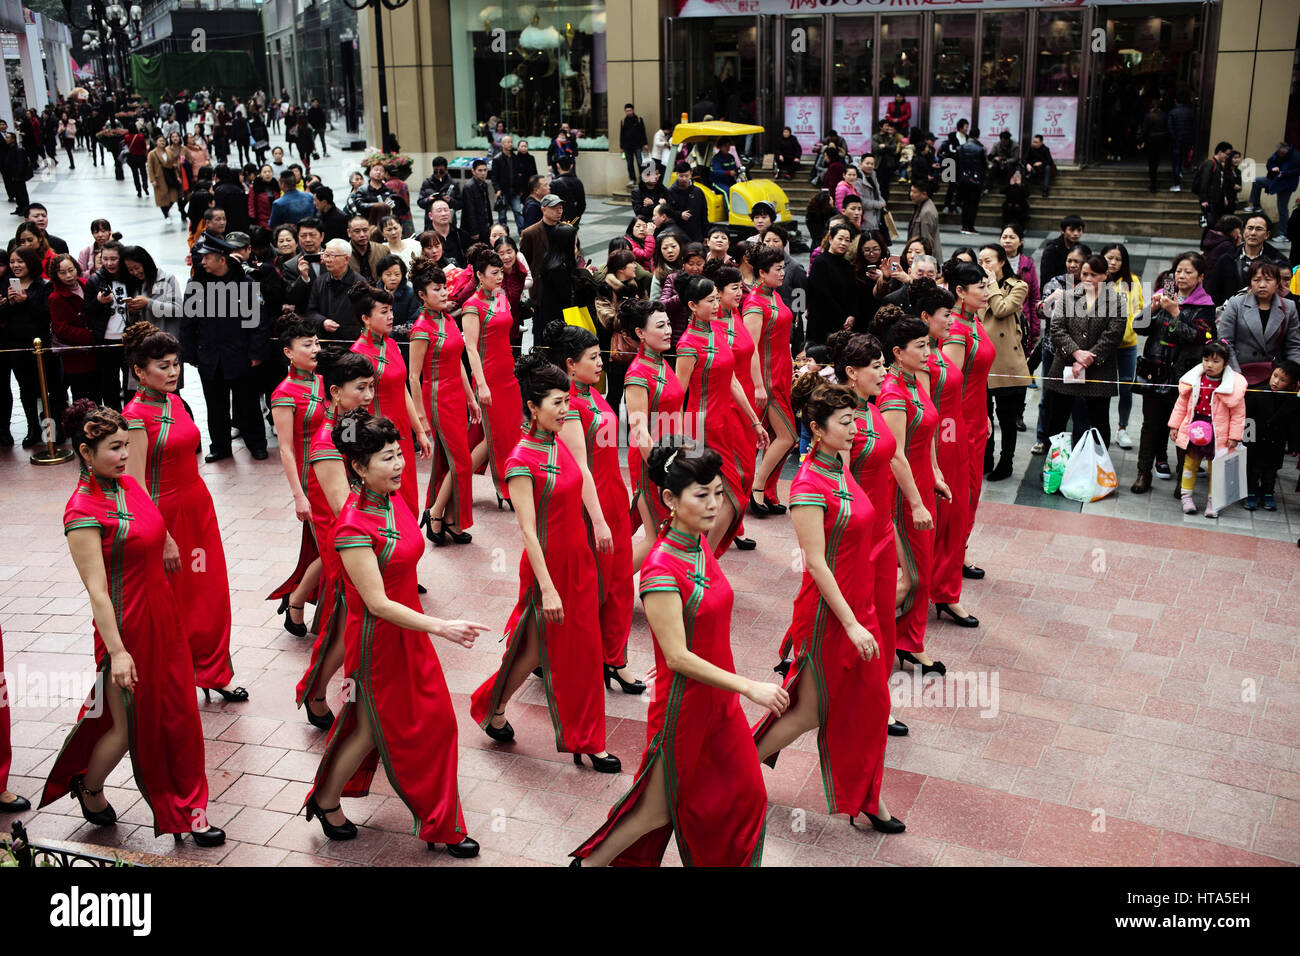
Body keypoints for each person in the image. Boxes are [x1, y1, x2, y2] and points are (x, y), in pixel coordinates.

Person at [570, 443, 780, 867]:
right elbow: (679, 658)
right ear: (669, 499)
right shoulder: (661, 568)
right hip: (685, 706)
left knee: (749, 794)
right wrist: (749, 686)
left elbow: (693, 629)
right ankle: (589, 864)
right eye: (701, 495)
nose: (714, 504)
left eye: (718, 493)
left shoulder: (698, 545)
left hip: (720, 702)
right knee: (658, 807)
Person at [303, 409, 487, 857]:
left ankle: (325, 800)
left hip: (410, 628)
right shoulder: (352, 527)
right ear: (359, 469)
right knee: (426, 724)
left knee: (371, 728)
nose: (400, 464)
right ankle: (440, 823)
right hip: (379, 639)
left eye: (399, 453)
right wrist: (441, 626)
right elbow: (377, 603)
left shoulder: (392, 498)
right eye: (387, 458)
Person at [40, 401, 224, 847]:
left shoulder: (128, 485)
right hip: (126, 625)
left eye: (125, 445)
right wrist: (118, 651)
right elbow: (98, 592)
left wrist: (169, 542)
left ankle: (191, 808)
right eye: (113, 448)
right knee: (129, 726)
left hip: (163, 613)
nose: (124, 455)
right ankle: (89, 785)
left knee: (180, 714)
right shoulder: (80, 511)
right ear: (85, 452)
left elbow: (152, 524)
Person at [752, 380, 903, 834]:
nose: (855, 428)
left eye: (855, 418)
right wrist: (854, 624)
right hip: (829, 615)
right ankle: (732, 763)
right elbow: (816, 564)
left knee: (870, 705)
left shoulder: (842, 464)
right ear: (816, 430)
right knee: (809, 712)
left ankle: (866, 797)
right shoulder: (808, 485)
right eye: (845, 422)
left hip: (859, 607)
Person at [469, 350, 620, 771]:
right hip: (548, 569)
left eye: (568, 402)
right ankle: (586, 740)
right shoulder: (520, 462)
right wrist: (549, 587)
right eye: (557, 403)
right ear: (532, 408)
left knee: (541, 650)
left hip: (580, 562)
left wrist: (600, 526)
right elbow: (528, 533)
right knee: (560, 653)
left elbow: (582, 483)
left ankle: (489, 705)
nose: (566, 410)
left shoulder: (558, 444)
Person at [120, 320, 244, 704]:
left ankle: (212, 670)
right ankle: (178, 674)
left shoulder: (174, 400)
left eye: (176, 364)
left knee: (209, 593)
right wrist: (164, 537)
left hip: (198, 507)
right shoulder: (136, 415)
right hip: (165, 517)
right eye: (163, 366)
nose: (173, 372)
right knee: (178, 600)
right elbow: (135, 485)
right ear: (139, 371)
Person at [539, 321, 643, 692]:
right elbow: (577, 467)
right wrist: (597, 520)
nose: (602, 363)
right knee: (590, 588)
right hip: (588, 506)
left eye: (600, 356)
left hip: (612, 497)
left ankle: (612, 658)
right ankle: (561, 652)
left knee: (617, 586)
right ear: (570, 364)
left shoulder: (595, 396)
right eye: (594, 357)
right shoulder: (567, 406)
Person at [876, 310, 949, 674]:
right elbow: (895, 455)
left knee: (922, 572)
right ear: (897, 352)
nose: (927, 351)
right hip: (903, 494)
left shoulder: (913, 381)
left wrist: (935, 472)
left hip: (921, 483)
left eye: (928, 344)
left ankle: (909, 642)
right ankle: (867, 635)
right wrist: (917, 502)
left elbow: (929, 430)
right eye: (919, 346)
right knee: (914, 577)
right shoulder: (892, 394)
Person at [676, 275, 768, 556]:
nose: (717, 305)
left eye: (717, 298)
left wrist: (754, 421)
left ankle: (701, 557)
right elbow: (676, 395)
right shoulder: (688, 343)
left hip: (724, 423)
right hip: (699, 428)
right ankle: (700, 558)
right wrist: (678, 438)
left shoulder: (716, 329)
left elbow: (733, 381)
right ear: (692, 305)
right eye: (709, 301)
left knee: (729, 495)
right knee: (719, 497)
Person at [1131, 252, 1218, 494]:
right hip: (1155, 370)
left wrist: (1177, 314)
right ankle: (1143, 473)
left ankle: (1183, 479)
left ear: (1200, 276)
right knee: (1150, 425)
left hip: (1185, 376)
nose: (1181, 276)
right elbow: (1138, 327)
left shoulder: (1205, 305)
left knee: (1183, 427)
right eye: (1178, 271)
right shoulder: (1164, 294)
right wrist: (1152, 308)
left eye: (1188, 272)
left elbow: (1202, 337)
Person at [265, 315, 328, 638]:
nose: (316, 348)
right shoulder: (283, 393)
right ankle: (297, 600)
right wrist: (298, 495)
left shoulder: (319, 381)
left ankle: (298, 599)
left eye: (316, 342)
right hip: (309, 479)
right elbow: (286, 450)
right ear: (289, 352)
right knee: (334, 549)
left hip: (331, 472)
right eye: (308, 345)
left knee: (331, 547)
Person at [407, 262, 479, 544]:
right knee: (462, 461)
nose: (444, 292)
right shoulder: (421, 328)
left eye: (444, 287)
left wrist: (471, 399)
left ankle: (451, 521)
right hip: (436, 397)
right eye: (436, 289)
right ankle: (436, 513)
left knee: (450, 460)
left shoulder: (447, 318)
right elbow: (414, 377)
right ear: (422, 295)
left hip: (456, 395)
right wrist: (421, 418)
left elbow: (458, 361)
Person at [348, 281, 431, 523]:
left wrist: (420, 432)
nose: (391, 316)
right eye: (383, 312)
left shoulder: (392, 344)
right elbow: (351, 407)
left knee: (409, 500)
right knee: (387, 504)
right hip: (376, 437)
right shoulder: (358, 355)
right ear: (365, 318)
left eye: (391, 311)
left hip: (401, 433)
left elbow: (402, 389)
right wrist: (354, 444)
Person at [182, 232, 268, 460]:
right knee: (215, 406)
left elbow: (258, 321)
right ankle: (220, 447)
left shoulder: (245, 283)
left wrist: (256, 353)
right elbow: (188, 322)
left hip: (240, 354)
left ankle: (257, 444)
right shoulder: (196, 285)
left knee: (248, 403)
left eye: (206, 257)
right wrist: (190, 353)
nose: (202, 262)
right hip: (209, 357)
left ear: (221, 258)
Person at [621, 299, 686, 560]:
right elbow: (638, 429)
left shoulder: (661, 362)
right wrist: (661, 469)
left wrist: (686, 453)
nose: (669, 330)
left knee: (660, 531)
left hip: (671, 457)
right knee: (657, 535)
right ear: (640, 333)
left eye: (668, 324)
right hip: (651, 462)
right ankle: (610, 590)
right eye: (660, 326)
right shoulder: (637, 374)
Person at [1041, 254, 1126, 452]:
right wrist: (1077, 353)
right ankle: (1055, 465)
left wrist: (1087, 359)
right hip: (1066, 366)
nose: (1088, 279)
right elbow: (1057, 329)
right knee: (1058, 420)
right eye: (1085, 274)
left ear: (1105, 275)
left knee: (1098, 422)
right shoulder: (1068, 296)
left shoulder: (1116, 301)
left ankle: (1098, 468)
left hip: (1099, 369)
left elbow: (1113, 335)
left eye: (1094, 275)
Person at [946, 261, 995, 579]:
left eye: (988, 286)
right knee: (959, 496)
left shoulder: (974, 321)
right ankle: (948, 560)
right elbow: (949, 386)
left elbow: (978, 378)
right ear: (961, 292)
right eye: (982, 287)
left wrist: (987, 414)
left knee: (972, 493)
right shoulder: (956, 329)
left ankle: (958, 553)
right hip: (959, 424)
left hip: (977, 420)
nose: (988, 292)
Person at [461, 249, 522, 504]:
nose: (499, 277)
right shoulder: (471, 306)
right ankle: (460, 481)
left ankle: (501, 482)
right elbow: (471, 348)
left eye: (501, 272)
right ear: (479, 275)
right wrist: (482, 385)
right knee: (493, 434)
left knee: (510, 430)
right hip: (488, 377)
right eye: (494, 273)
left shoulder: (500, 296)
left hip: (509, 373)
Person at [1167, 341, 1246, 518]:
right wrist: (1175, 425)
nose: (1209, 365)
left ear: (1225, 363)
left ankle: (1213, 502)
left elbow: (1239, 414)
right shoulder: (1193, 380)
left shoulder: (1233, 386)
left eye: (1216, 361)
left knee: (1216, 468)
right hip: (1193, 428)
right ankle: (1186, 497)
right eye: (1206, 360)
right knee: (1190, 464)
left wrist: (1235, 436)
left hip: (1218, 432)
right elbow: (1181, 404)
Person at [976, 244, 1030, 479]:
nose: (983, 265)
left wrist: (992, 283)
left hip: (1007, 361)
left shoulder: (1018, 286)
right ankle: (986, 458)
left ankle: (1006, 461)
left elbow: (1001, 309)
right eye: (980, 261)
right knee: (983, 416)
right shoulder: (975, 288)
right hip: (982, 363)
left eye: (988, 260)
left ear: (1001, 262)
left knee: (1007, 418)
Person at [0, 246, 55, 447]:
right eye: (13, 262)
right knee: (25, 390)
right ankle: (32, 427)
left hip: (39, 346)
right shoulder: (6, 284)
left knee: (45, 388)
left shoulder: (43, 285)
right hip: (15, 345)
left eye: (20, 261)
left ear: (30, 262)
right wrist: (5, 305)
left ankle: (51, 431)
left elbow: (46, 315)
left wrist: (26, 301)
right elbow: (4, 318)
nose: (15, 265)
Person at [1101, 243, 1144, 449]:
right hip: (1103, 345)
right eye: (1110, 258)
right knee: (1101, 388)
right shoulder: (1097, 281)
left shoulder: (1133, 282)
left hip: (1127, 344)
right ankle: (1100, 428)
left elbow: (1140, 311)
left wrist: (1132, 328)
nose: (1113, 262)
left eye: (1118, 259)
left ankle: (1122, 428)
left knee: (1126, 388)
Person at [1243, 358, 1300, 510]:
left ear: (1292, 384)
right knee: (1253, 469)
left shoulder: (1293, 401)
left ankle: (1268, 493)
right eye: (1275, 376)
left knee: (1271, 470)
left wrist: (1295, 445)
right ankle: (1251, 492)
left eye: (1282, 380)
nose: (1275, 381)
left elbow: (1294, 426)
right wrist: (1245, 438)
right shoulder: (1257, 393)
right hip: (1256, 440)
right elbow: (1248, 417)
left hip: (1276, 442)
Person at [49, 254, 100, 405]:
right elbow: (62, 329)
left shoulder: (87, 284)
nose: (69, 276)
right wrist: (90, 336)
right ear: (56, 275)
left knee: (97, 394)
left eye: (71, 270)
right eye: (62, 272)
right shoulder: (56, 297)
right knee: (82, 399)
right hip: (76, 356)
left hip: (96, 352)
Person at [1206, 212, 1289, 305]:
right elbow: (1212, 290)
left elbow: (1284, 291)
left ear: (1267, 234)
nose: (1253, 233)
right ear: (1244, 231)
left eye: (1259, 229)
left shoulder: (1276, 260)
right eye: (1250, 228)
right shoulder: (1227, 258)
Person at [806, 223, 859, 345]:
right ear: (830, 239)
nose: (843, 243)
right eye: (840, 238)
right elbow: (822, 295)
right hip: (823, 323)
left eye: (847, 240)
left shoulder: (847, 265)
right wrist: (843, 319)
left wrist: (852, 316)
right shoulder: (820, 262)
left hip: (844, 324)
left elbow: (853, 294)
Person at [1193, 142, 1234, 233]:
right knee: (1210, 225)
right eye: (1226, 154)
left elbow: (1220, 183)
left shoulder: (1219, 165)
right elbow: (1204, 182)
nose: (1227, 157)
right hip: (1210, 201)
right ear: (1220, 152)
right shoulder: (1210, 164)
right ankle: (1204, 246)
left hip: (1216, 201)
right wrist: (1203, 199)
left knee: (1212, 225)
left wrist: (1224, 196)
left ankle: (1207, 245)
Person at [664, 162, 707, 243]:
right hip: (678, 236)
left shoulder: (698, 191)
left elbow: (704, 214)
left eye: (686, 176)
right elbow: (667, 213)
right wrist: (680, 215)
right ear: (676, 174)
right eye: (681, 176)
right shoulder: (670, 192)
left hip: (697, 236)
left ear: (691, 174)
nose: (684, 179)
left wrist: (706, 235)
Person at [955, 127, 987, 235]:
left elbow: (957, 164)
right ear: (978, 135)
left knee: (965, 203)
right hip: (975, 180)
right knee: (973, 204)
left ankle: (964, 226)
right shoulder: (980, 149)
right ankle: (970, 226)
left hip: (964, 179)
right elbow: (984, 166)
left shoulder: (961, 148)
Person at [1039, 214, 1085, 285]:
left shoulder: (1081, 249)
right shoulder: (1051, 250)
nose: (1076, 233)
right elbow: (1046, 278)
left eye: (1079, 230)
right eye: (1072, 230)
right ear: (1062, 231)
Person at [417, 156, 459, 232]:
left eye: (441, 171)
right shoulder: (427, 183)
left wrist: (450, 200)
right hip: (430, 223)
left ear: (446, 170)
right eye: (435, 171)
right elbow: (420, 202)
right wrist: (428, 199)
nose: (438, 173)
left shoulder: (453, 183)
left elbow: (460, 204)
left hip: (449, 222)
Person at [1137, 102, 1171, 193]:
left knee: (1151, 163)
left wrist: (1140, 142)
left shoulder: (1148, 116)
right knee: (1156, 161)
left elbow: (1144, 130)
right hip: (1161, 141)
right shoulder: (1164, 116)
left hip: (1151, 142)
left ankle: (1153, 184)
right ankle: (1154, 181)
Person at [146, 136, 181, 221]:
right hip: (159, 178)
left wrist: (177, 175)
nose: (162, 142)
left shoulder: (169, 152)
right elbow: (150, 167)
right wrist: (152, 180)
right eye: (160, 141)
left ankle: (167, 210)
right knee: (162, 197)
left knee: (173, 196)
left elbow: (174, 164)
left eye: (163, 141)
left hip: (170, 176)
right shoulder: (152, 153)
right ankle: (166, 215)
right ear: (156, 142)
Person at [907, 180, 942, 264]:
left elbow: (927, 240)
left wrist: (927, 260)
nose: (911, 194)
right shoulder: (921, 207)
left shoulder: (927, 212)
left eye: (914, 192)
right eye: (911, 191)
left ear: (924, 194)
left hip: (924, 259)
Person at [549, 154, 586, 224]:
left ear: (558, 165)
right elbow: (582, 205)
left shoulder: (554, 184)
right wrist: (573, 222)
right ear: (571, 166)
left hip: (558, 222)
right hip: (573, 220)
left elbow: (551, 205)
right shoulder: (578, 182)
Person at [619, 103, 648, 186]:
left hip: (638, 145)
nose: (628, 112)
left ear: (633, 110)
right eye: (627, 111)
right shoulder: (623, 121)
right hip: (627, 147)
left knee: (640, 162)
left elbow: (643, 132)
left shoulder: (639, 120)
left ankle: (642, 178)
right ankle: (632, 179)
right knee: (629, 164)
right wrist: (621, 147)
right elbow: (622, 135)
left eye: (630, 110)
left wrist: (645, 143)